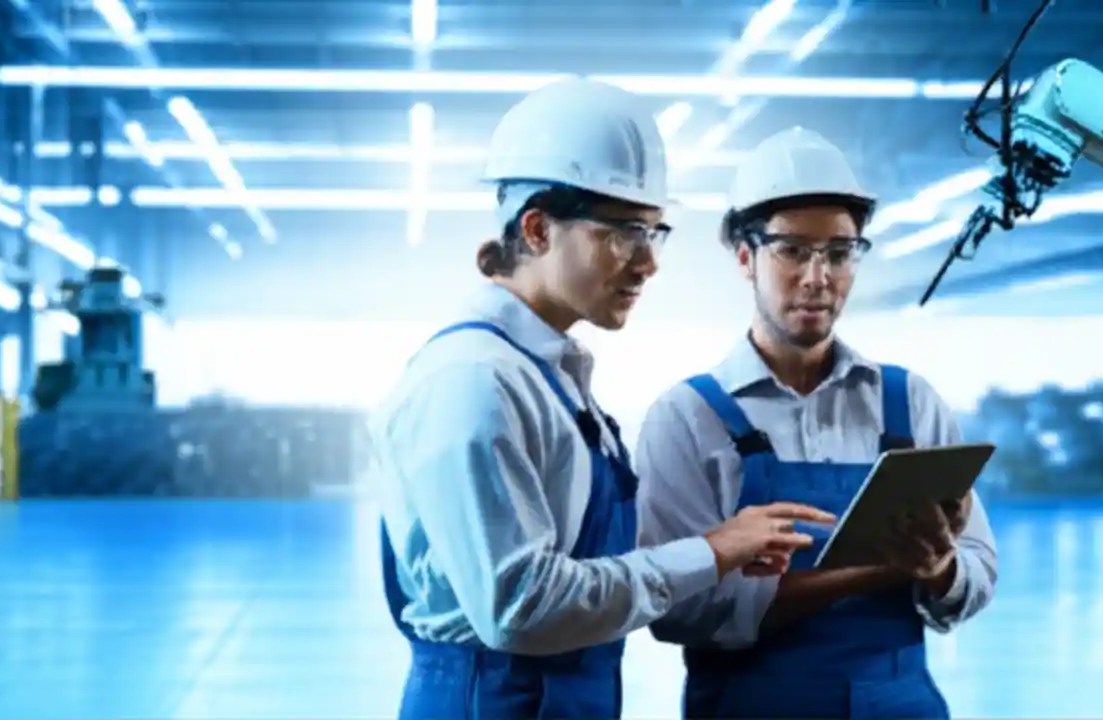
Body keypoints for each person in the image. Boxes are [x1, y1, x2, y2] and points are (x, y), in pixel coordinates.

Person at [368, 81, 835, 720]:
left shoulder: (550, 375)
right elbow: (519, 606)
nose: (648, 264)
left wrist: (718, 542)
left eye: (654, 233)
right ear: (536, 229)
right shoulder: (473, 382)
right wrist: (710, 551)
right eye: (622, 233)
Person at [634, 126, 999, 719]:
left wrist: (939, 568)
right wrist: (877, 571)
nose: (817, 277)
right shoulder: (688, 419)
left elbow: (977, 572)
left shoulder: (911, 405)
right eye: (793, 250)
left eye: (838, 252)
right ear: (745, 257)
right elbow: (679, 612)